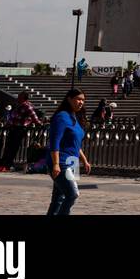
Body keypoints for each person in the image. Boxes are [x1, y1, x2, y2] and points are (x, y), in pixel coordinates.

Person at [46, 87, 91, 215]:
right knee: (72, 194)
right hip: (62, 162)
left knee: (58, 198)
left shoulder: (76, 118)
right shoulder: (61, 117)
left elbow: (75, 144)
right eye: (78, 99)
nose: (81, 102)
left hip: (73, 162)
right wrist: (55, 164)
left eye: (83, 100)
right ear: (69, 99)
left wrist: (85, 160)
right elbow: (55, 141)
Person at [0, 92, 39, 172]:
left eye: (19, 96)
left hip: (20, 129)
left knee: (13, 148)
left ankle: (7, 165)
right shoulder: (18, 105)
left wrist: (39, 123)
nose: (17, 98)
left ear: (23, 98)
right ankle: (2, 164)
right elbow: (13, 117)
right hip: (13, 128)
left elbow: (34, 117)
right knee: (8, 147)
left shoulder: (27, 106)